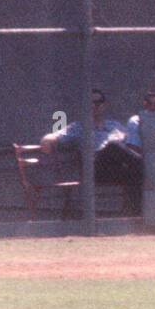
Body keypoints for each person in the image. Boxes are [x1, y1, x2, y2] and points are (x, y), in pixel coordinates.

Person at [40, 88, 143, 216]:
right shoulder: (78, 127)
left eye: (98, 102)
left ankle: (135, 214)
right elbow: (55, 136)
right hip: (95, 170)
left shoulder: (114, 126)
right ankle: (144, 165)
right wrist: (46, 140)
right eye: (90, 103)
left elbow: (130, 143)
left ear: (104, 105)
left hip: (116, 169)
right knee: (113, 146)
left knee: (135, 173)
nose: (94, 105)